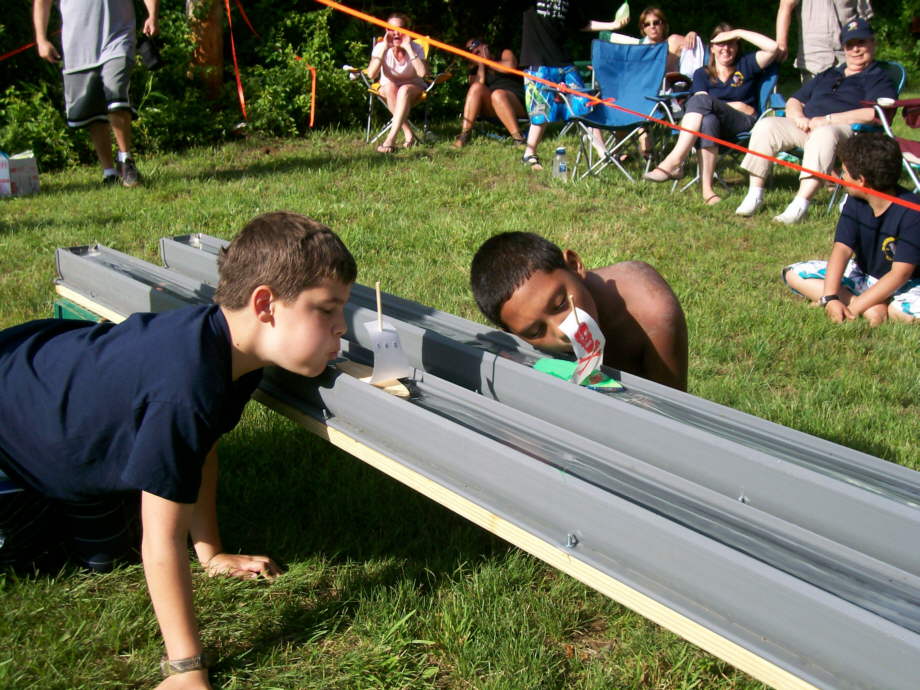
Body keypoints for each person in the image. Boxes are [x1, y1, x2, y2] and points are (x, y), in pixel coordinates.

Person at [0, 212, 357, 689]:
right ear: (266, 305)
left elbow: (198, 450)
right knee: (34, 550)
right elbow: (161, 540)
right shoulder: (185, 387)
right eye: (327, 310)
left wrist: (210, 554)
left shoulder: (235, 353)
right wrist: (186, 669)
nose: (342, 328)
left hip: (50, 382)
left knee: (104, 554)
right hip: (14, 417)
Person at [470, 231, 688, 390]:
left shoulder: (653, 314)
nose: (561, 331)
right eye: (536, 332)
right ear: (512, 333)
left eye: (560, 304)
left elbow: (670, 411)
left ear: (574, 266)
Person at [735, 18, 895, 224]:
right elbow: (794, 99)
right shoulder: (830, 73)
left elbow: (874, 113)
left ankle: (800, 204)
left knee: (824, 134)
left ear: (873, 44)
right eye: (850, 44)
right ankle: (755, 193)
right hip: (807, 126)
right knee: (767, 125)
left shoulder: (878, 77)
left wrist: (828, 120)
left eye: (861, 43)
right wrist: (798, 116)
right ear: (844, 48)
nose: (855, 50)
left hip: (848, 134)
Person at [783, 133, 920, 325]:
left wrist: (851, 310)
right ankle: (871, 307)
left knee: (901, 312)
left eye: (845, 172)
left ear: (861, 180)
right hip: (862, 276)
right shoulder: (854, 200)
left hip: (905, 285)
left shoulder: (912, 212)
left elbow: (901, 274)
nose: (842, 176)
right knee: (794, 273)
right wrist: (830, 297)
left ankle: (877, 305)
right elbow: (842, 248)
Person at [644, 24, 779, 206]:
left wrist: (739, 32)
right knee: (708, 119)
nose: (726, 48)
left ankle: (675, 160)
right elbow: (701, 103)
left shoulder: (747, 64)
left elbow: (773, 48)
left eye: (731, 43)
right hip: (715, 125)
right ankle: (707, 191)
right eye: (720, 44)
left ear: (738, 46)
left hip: (742, 123)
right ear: (712, 48)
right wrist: (736, 105)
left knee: (702, 102)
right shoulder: (702, 74)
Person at [33, 0, 158, 187]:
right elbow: (42, 3)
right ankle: (109, 172)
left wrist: (153, 15)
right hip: (77, 46)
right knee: (92, 110)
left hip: (118, 36)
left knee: (116, 93)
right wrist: (41, 40)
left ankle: (126, 160)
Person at [519, 1, 628, 171]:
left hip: (563, 62)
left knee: (585, 104)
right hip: (538, 62)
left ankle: (602, 153)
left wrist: (613, 24)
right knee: (541, 110)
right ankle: (529, 153)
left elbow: (583, 23)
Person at [365, 13, 429, 153]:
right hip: (389, 88)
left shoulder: (416, 47)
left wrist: (408, 48)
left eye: (400, 29)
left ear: (406, 31)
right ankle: (408, 133)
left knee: (404, 90)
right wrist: (384, 48)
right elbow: (371, 74)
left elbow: (423, 73)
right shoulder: (381, 47)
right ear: (386, 31)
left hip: (413, 88)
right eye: (391, 29)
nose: (395, 33)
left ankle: (390, 139)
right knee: (389, 88)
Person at [453, 38, 527, 148]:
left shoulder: (504, 54)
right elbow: (478, 85)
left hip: (515, 101)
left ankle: (519, 139)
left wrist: (488, 61)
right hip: (492, 107)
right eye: (470, 52)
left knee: (498, 94)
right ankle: (465, 135)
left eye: (476, 47)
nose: (474, 51)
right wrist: (482, 65)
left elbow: (510, 67)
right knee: (477, 87)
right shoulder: (475, 71)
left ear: (485, 46)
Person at [776, 0, 874, 80]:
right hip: (814, 61)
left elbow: (864, 21)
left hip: (850, 58)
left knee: (852, 101)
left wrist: (865, 52)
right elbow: (785, 7)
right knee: (815, 102)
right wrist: (781, 44)